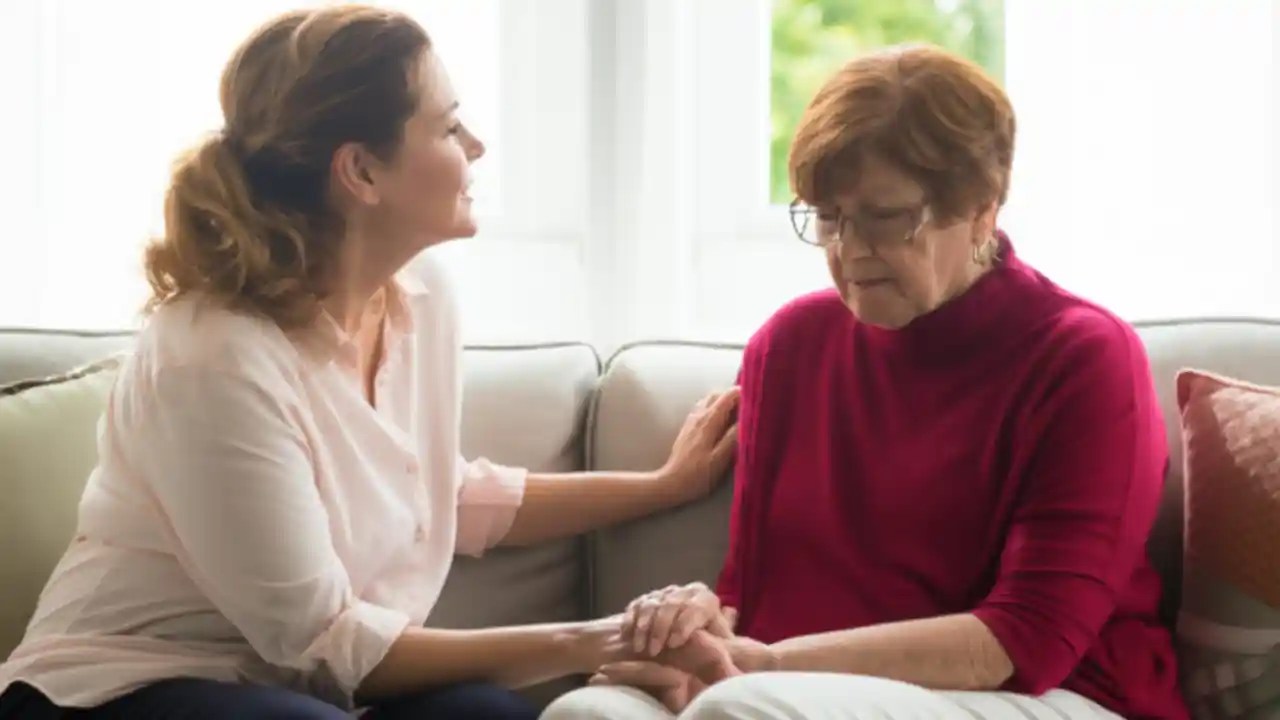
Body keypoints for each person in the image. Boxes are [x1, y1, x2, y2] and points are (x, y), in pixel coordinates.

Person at [0, 7, 739, 719]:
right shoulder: (215, 357)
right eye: (449, 126)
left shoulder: (421, 300)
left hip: (300, 693)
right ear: (360, 171)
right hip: (119, 688)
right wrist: (603, 638)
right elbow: (324, 643)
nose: (476, 145)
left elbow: (437, 496)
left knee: (489, 714)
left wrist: (664, 486)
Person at [542, 44, 1190, 720]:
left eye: (885, 218)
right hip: (798, 688)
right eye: (827, 217)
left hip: (1055, 696)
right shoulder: (789, 346)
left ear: (981, 211)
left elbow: (1025, 641)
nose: (848, 250)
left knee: (739, 712)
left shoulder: (1082, 357)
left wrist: (762, 665)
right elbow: (757, 589)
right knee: (589, 715)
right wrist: (702, 631)